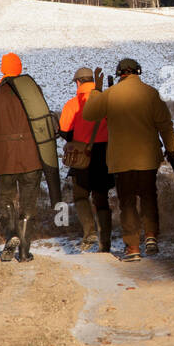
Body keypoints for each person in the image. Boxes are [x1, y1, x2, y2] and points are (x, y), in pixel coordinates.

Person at [81, 57, 174, 262]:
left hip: (121, 160)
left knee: (127, 203)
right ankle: (151, 237)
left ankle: (132, 247)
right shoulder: (150, 93)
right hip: (147, 157)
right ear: (137, 72)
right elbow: (165, 125)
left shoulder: (110, 94)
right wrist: (171, 149)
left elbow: (88, 114)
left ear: (119, 74)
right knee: (149, 197)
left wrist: (96, 91)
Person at [0, 52, 42, 262]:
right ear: (20, 69)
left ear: (3, 69)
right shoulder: (32, 92)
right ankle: (23, 252)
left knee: (5, 201)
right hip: (31, 157)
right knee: (28, 206)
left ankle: (11, 234)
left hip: (5, 159)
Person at [59, 66, 115, 252]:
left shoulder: (72, 104)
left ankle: (89, 230)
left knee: (81, 195)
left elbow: (65, 131)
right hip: (104, 153)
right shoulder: (106, 100)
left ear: (77, 82)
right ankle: (105, 244)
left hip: (81, 154)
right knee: (101, 198)